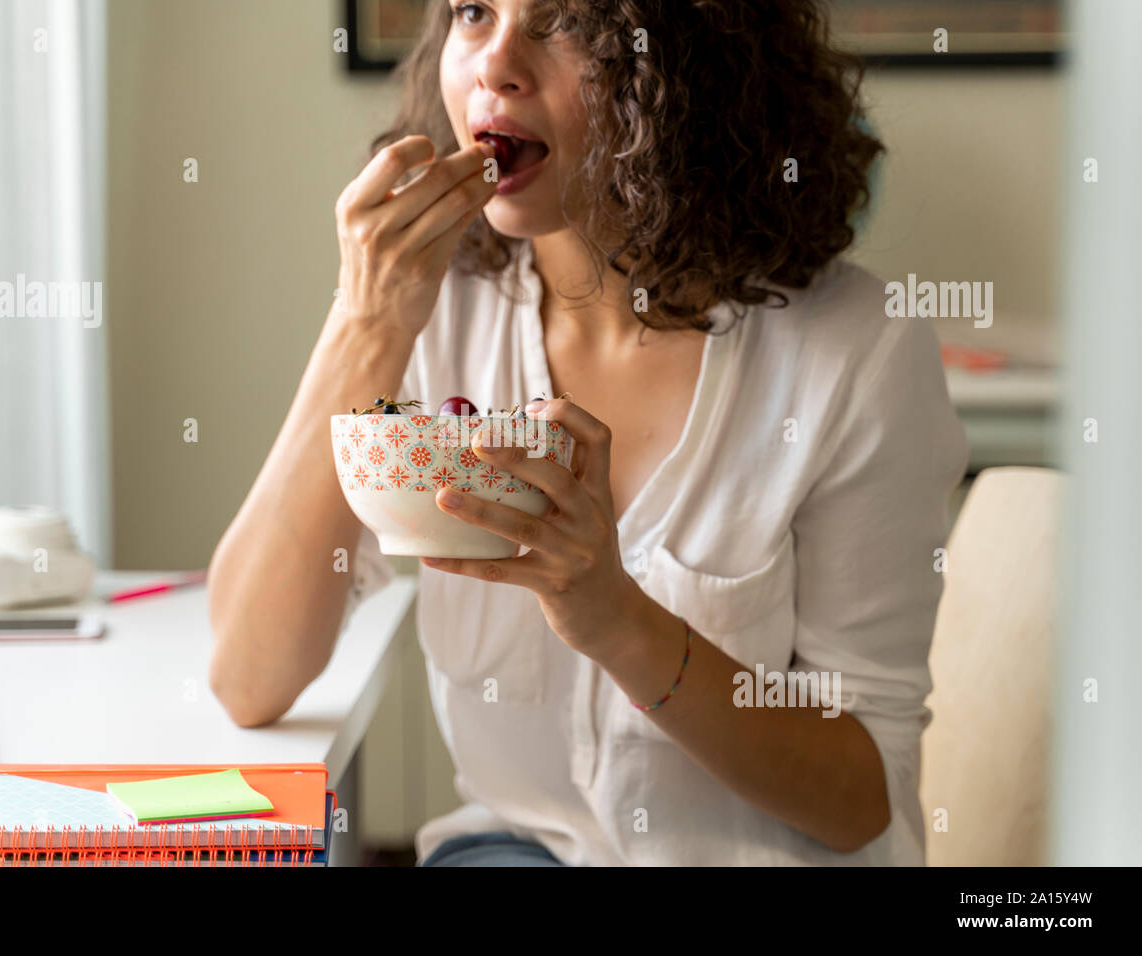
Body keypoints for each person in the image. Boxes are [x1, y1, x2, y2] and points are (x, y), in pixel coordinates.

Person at [208, 0, 968, 866]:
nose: (496, 65)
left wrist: (615, 620)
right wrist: (364, 325)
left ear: (687, 67)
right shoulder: (434, 312)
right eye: (473, 13)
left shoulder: (856, 353)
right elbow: (248, 678)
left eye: (563, 20)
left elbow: (859, 800)